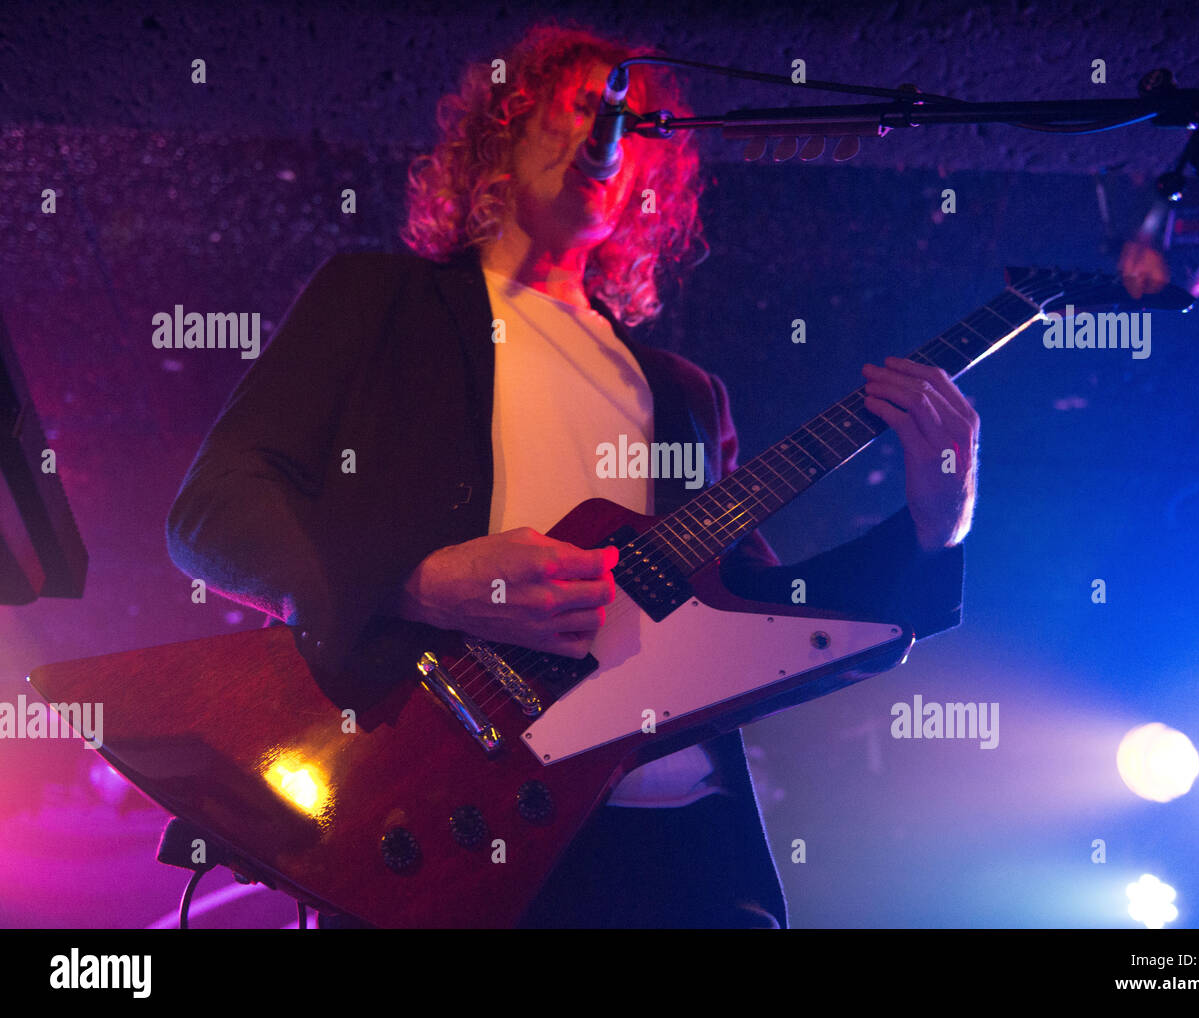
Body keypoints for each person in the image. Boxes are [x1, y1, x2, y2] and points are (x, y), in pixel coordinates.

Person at [166, 23, 976, 929]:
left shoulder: (686, 396)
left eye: (634, 127)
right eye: (586, 107)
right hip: (452, 824)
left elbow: (763, 610)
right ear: (502, 131)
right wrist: (418, 580)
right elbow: (211, 516)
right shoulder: (381, 301)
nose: (608, 137)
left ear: (646, 186)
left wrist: (933, 526)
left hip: (678, 848)